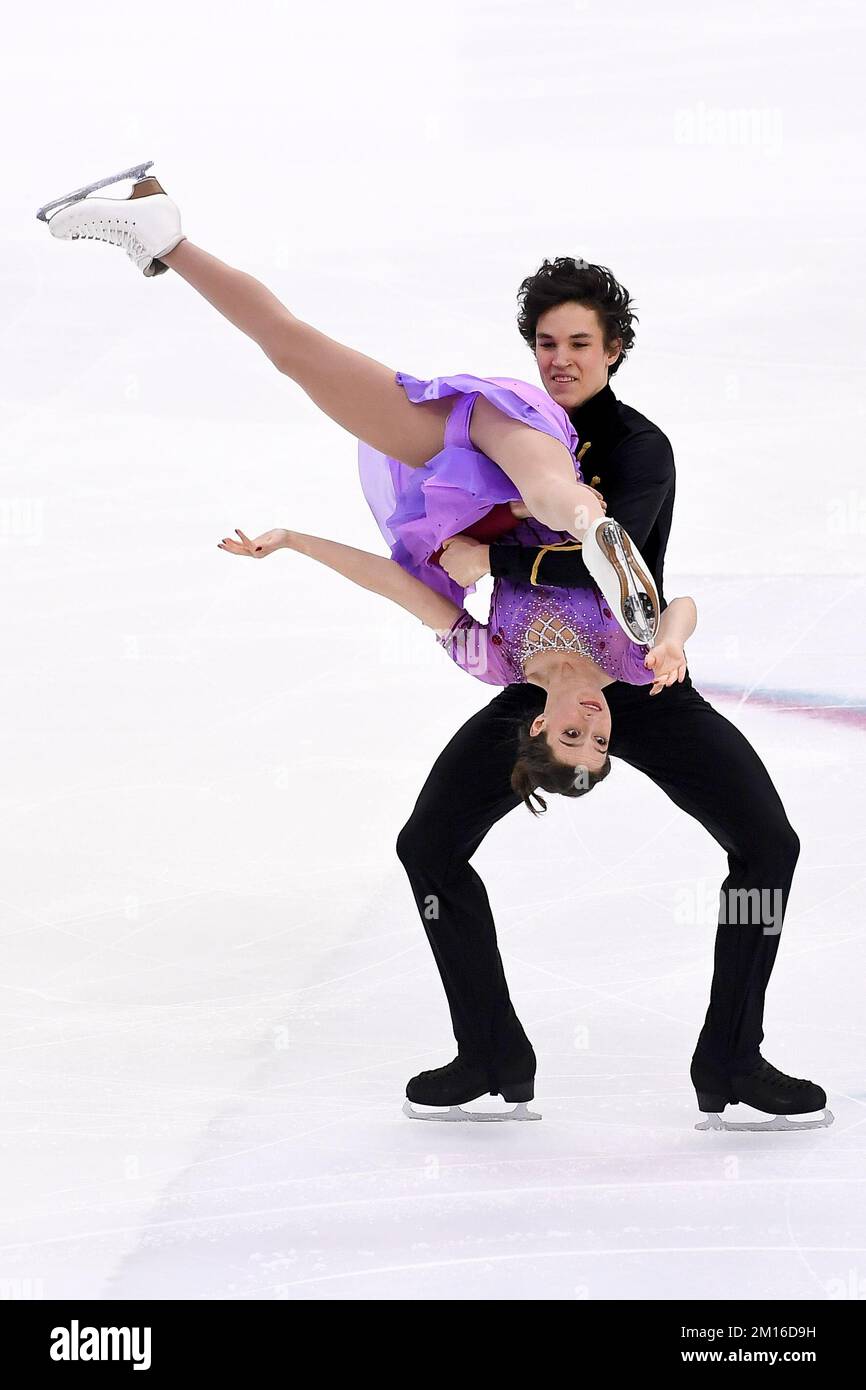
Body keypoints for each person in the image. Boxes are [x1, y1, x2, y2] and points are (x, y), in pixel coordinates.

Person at [37, 169, 830, 1132]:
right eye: (548, 343)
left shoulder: (639, 449)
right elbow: (425, 584)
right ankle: (492, 1047)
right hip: (563, 652)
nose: (562, 358)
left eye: (581, 344)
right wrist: (313, 541)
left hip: (638, 679)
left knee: (766, 847)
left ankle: (731, 1054)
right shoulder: (504, 419)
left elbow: (609, 587)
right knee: (430, 848)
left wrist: (500, 561)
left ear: (615, 351)